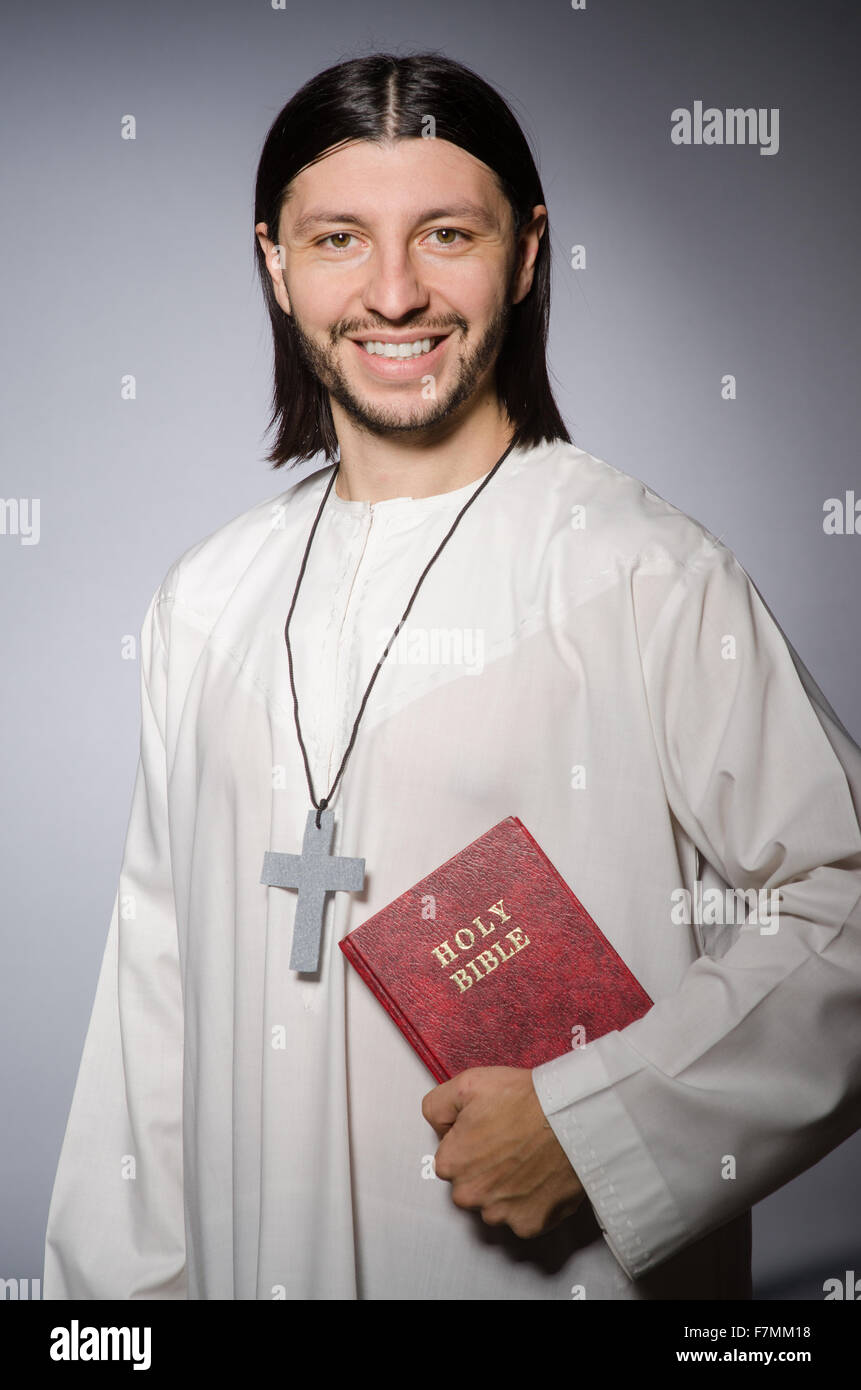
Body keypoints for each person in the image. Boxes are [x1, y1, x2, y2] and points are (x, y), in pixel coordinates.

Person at [43, 51, 861, 1301]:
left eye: (444, 232)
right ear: (274, 261)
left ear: (527, 254)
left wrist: (600, 1120)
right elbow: (150, 1025)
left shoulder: (641, 574)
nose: (392, 291)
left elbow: (846, 901)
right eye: (336, 240)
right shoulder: (204, 603)